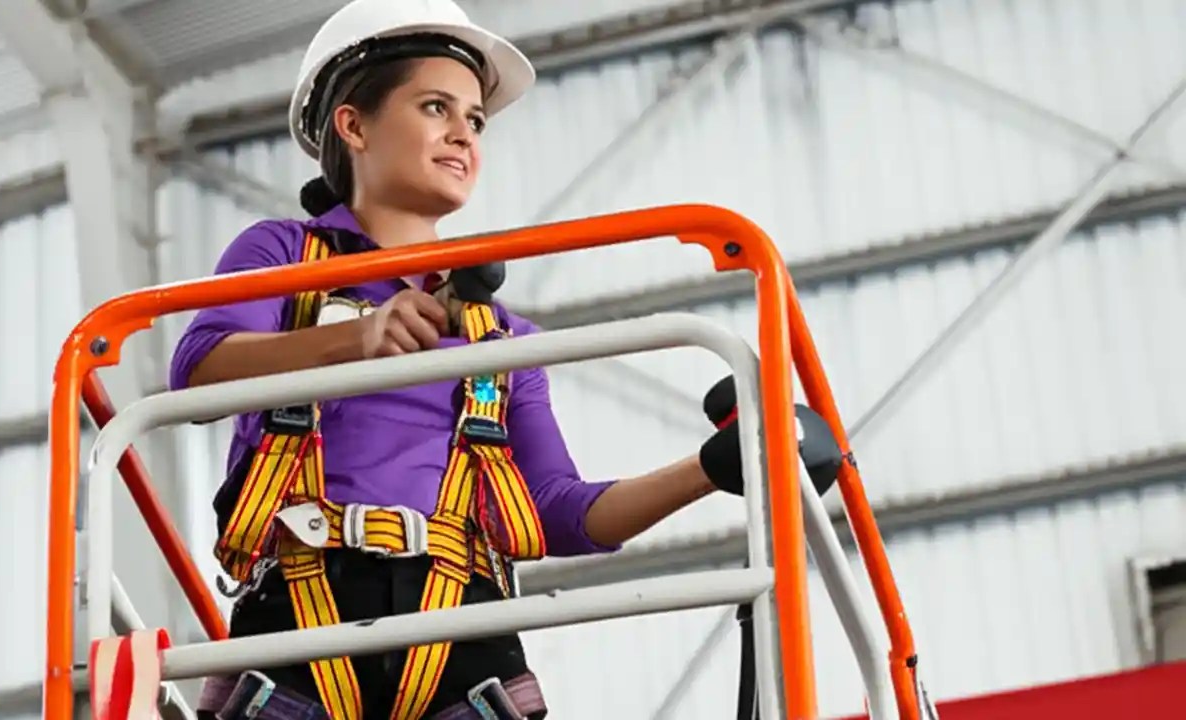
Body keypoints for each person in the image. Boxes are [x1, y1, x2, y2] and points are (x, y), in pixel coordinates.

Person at [168, 1, 841, 718]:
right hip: (296, 627)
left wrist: (714, 465)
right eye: (435, 107)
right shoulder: (281, 259)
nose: (464, 134)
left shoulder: (502, 339)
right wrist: (355, 340)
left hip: (466, 641)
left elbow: (560, 514)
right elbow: (200, 370)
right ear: (354, 125)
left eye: (477, 120)